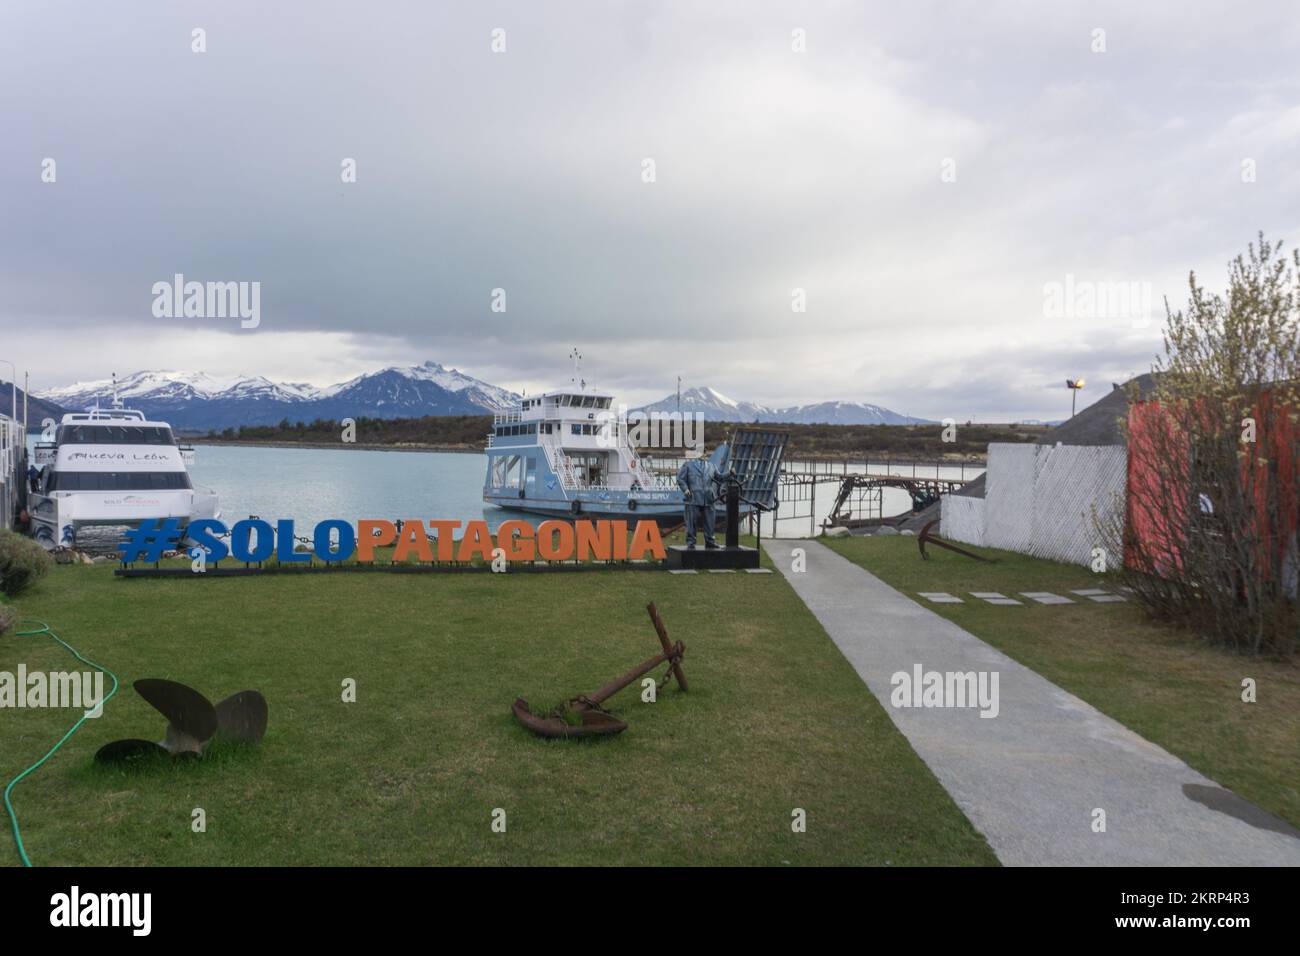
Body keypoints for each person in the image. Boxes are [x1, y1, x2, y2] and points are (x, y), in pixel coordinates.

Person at [676, 456, 720, 550]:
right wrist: (686, 489)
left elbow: (720, 477)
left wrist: (730, 474)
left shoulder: (712, 466)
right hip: (693, 497)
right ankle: (691, 542)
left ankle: (710, 541)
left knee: (710, 521)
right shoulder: (688, 465)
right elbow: (680, 478)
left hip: (708, 498)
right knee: (691, 521)